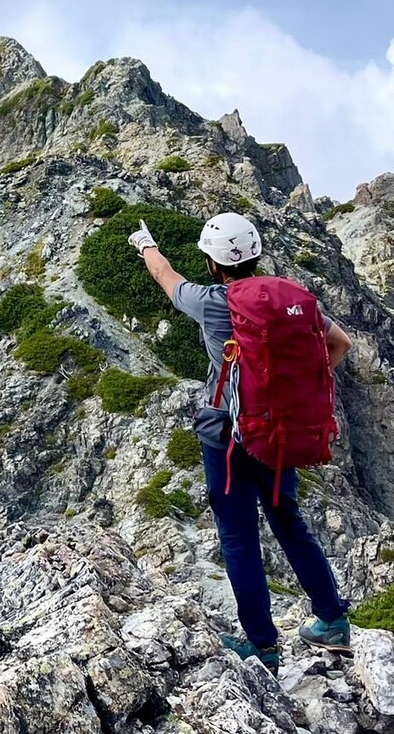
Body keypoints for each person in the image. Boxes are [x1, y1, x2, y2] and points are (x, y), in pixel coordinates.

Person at [127, 211, 353, 673]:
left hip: (228, 440)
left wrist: (146, 243)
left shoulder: (212, 302)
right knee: (289, 522)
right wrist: (293, 390)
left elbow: (164, 275)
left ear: (213, 262)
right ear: (255, 253)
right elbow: (340, 344)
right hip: (281, 431)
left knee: (238, 537)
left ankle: (263, 646)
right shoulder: (293, 300)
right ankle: (331, 621)